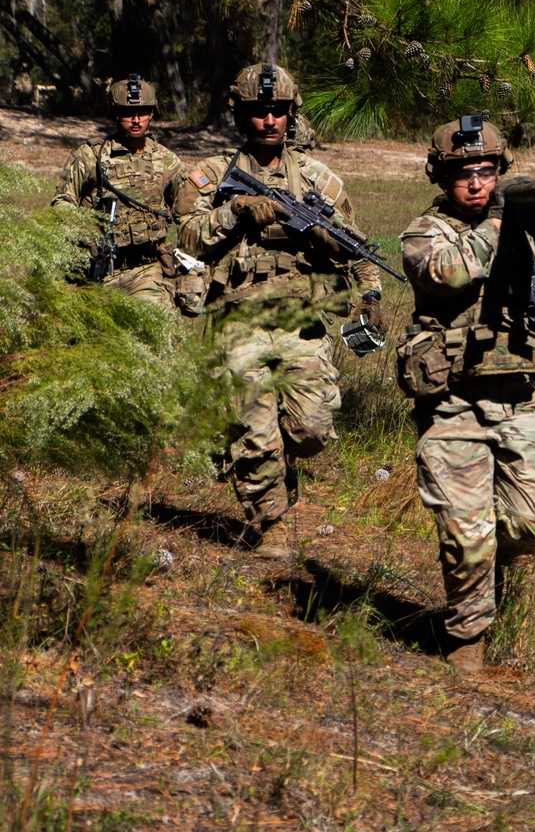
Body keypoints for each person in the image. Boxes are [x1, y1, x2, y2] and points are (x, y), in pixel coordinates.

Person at [398, 117, 535, 674]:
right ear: (443, 177)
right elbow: (445, 274)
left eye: (486, 172)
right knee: (466, 536)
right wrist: (499, 224)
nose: (476, 183)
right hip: (454, 404)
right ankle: (467, 646)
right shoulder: (425, 232)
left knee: (531, 522)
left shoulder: (527, 227)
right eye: (463, 173)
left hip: (522, 401)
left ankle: (490, 569)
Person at [174, 63, 384, 557]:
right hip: (235, 317)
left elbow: (358, 249)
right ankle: (269, 521)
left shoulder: (319, 180)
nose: (270, 120)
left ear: (292, 115)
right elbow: (186, 238)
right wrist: (234, 211)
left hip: (300, 319)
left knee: (310, 428)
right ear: (241, 116)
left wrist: (370, 296)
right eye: (259, 111)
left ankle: (283, 466)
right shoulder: (209, 176)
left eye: (279, 111)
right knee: (251, 425)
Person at [52, 75, 184, 312]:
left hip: (147, 269)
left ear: (152, 113)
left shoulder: (167, 160)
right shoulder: (90, 156)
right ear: (115, 114)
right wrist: (85, 229)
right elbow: (62, 201)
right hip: (99, 270)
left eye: (142, 111)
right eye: (127, 112)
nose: (136, 119)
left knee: (150, 328)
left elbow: (188, 210)